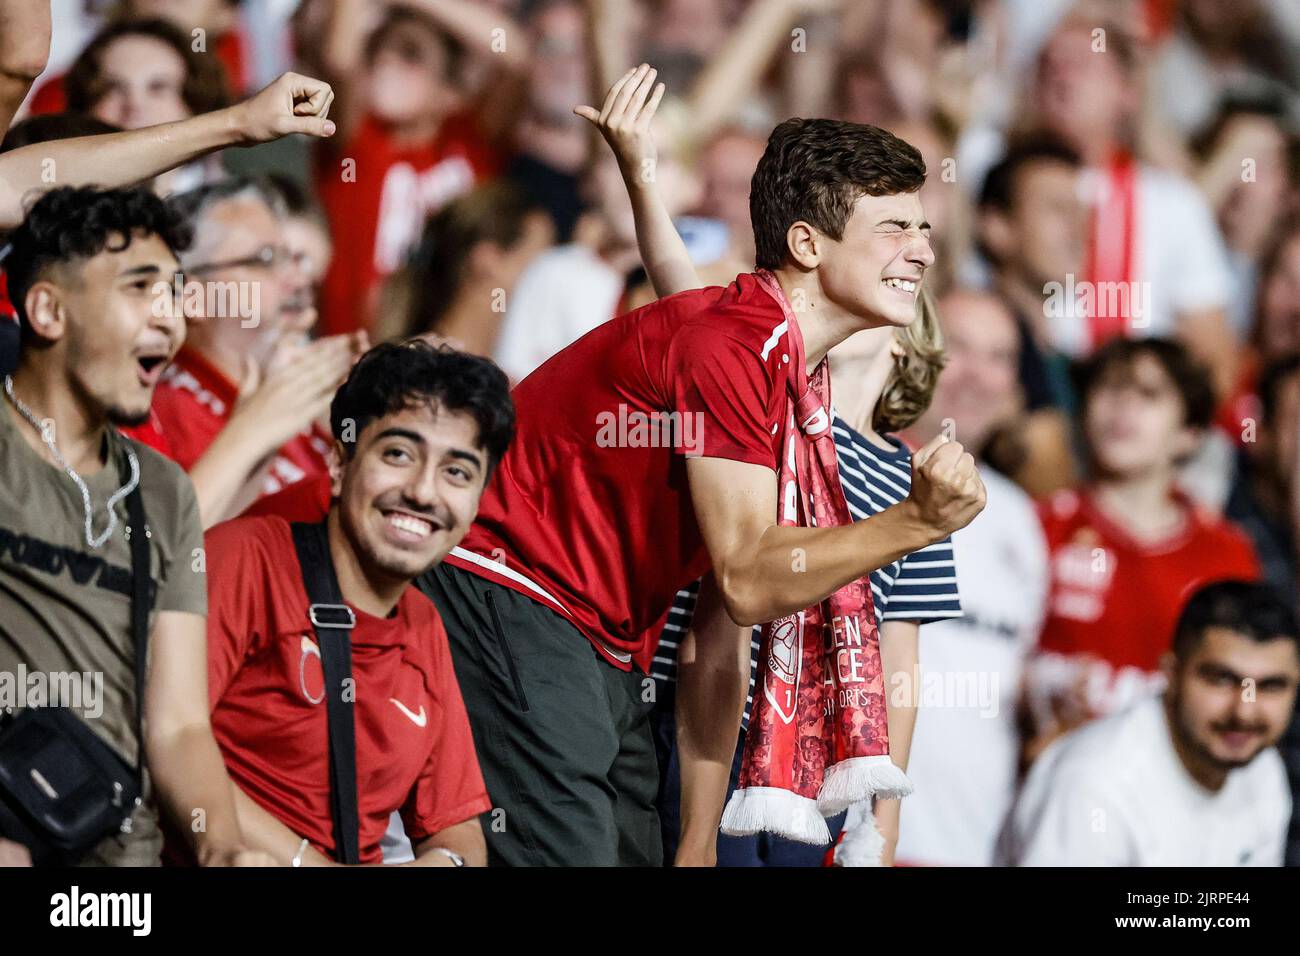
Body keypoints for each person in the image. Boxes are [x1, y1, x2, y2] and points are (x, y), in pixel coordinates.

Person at [0, 185, 272, 867]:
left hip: (123, 865)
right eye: (141, 288)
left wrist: (223, 846)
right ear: (46, 309)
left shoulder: (163, 490)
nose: (170, 320)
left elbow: (178, 723)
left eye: (176, 293)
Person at [203, 340, 507, 866]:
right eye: (398, 454)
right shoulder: (245, 558)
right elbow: (163, 742)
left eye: (457, 472)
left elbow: (458, 832)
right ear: (340, 465)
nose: (422, 492)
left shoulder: (424, 625)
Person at [843, 288, 1049, 867]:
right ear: (914, 353)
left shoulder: (1022, 519)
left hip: (973, 850)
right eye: (961, 346)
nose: (979, 375)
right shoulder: (860, 471)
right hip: (849, 836)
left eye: (1001, 356)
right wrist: (876, 839)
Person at [1025, 337, 1261, 759]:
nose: (1123, 405)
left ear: (1189, 434)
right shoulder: (1037, 526)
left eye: (1149, 394)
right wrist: (1042, 687)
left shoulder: (1227, 553)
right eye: (1111, 387)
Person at [1004, 580, 1298, 867]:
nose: (1244, 712)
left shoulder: (1262, 769)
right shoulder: (1092, 785)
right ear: (1170, 673)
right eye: (1221, 679)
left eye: (1271, 685)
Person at [126, 178, 365, 527]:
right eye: (266, 259)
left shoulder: (290, 399)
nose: (299, 279)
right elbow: (180, 549)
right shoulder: (168, 409)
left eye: (294, 259)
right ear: (194, 297)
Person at [313, 0, 525, 337]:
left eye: (410, 54)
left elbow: (514, 55)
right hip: (354, 350)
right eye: (377, 51)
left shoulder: (469, 144)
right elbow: (339, 57)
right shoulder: (357, 142)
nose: (385, 61)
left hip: (445, 352)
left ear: (449, 93)